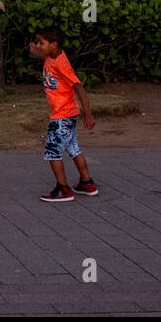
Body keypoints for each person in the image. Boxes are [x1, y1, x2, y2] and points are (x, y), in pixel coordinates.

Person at [28, 28, 97, 203]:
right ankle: (87, 183)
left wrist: (88, 114)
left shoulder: (61, 63)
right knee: (73, 148)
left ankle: (63, 189)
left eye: (41, 43)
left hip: (62, 116)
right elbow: (40, 55)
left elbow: (79, 88)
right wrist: (36, 51)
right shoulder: (51, 56)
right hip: (67, 115)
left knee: (53, 153)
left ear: (54, 45)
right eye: (37, 42)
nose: (38, 45)